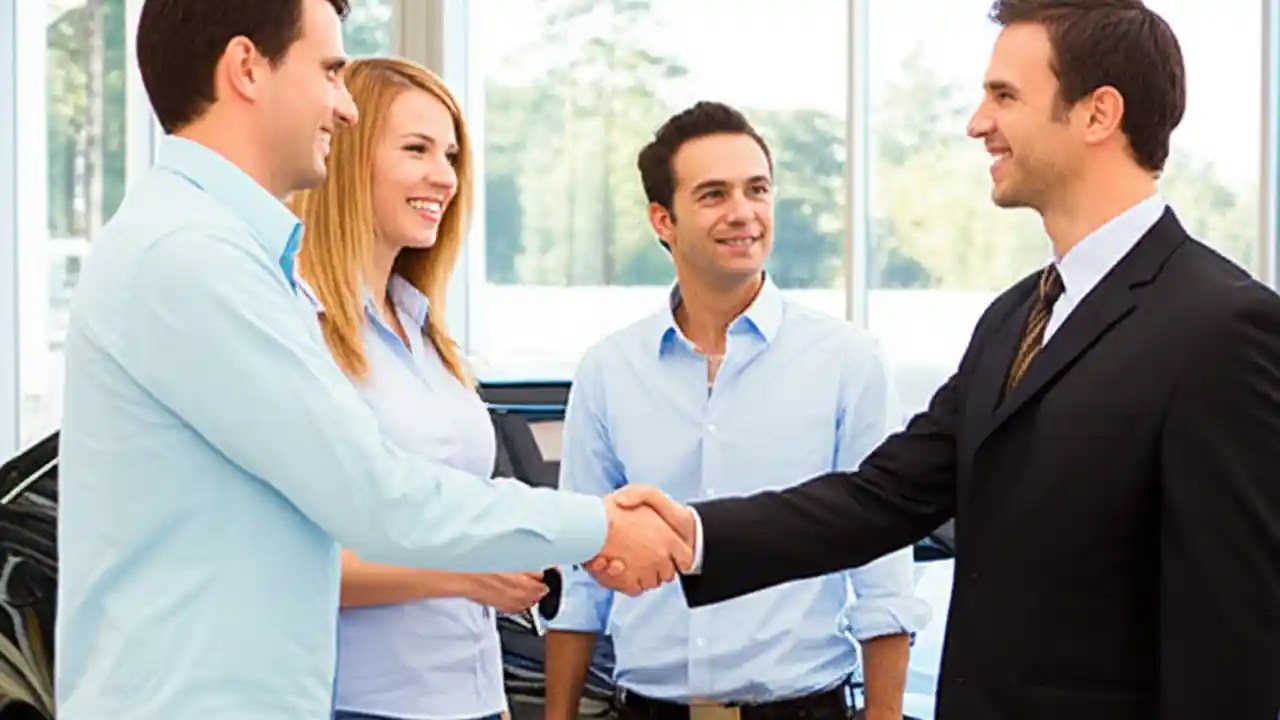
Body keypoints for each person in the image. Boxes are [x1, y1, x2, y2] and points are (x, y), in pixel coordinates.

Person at [596, 1, 1280, 718]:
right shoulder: (1014, 317)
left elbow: (1231, 645)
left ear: (1097, 114)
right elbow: (883, 497)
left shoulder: (1223, 327)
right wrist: (693, 536)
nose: (978, 123)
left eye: (1004, 96)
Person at [55, 1, 688, 718]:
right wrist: (599, 525)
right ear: (246, 69)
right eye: (329, 71)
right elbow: (378, 497)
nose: (344, 106)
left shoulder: (220, 253)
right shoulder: (193, 258)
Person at [543, 102, 929, 720]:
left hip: (803, 708)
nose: (743, 212)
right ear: (663, 220)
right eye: (714, 194)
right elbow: (581, 573)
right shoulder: (608, 370)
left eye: (757, 189)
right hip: (647, 710)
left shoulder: (848, 361)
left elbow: (883, 572)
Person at [286, 57, 546, 720]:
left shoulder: (423, 330)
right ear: (347, 155)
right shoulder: (295, 325)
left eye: (451, 155)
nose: (445, 177)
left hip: (468, 697)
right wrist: (464, 575)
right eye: (416, 149)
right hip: (360, 704)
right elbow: (292, 559)